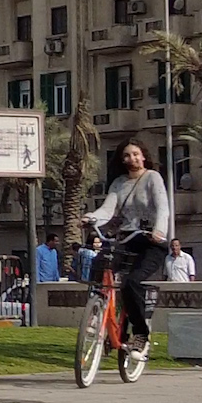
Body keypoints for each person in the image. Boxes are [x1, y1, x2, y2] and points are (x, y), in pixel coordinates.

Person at [80, 140, 171, 354]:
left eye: (136, 154)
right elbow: (107, 210)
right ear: (122, 160)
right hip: (127, 239)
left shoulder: (152, 178)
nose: (133, 159)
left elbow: (163, 207)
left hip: (150, 241)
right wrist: (90, 218)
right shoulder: (118, 184)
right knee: (99, 265)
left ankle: (140, 334)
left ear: (144, 156)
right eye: (128, 155)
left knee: (131, 282)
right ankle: (99, 315)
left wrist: (159, 231)